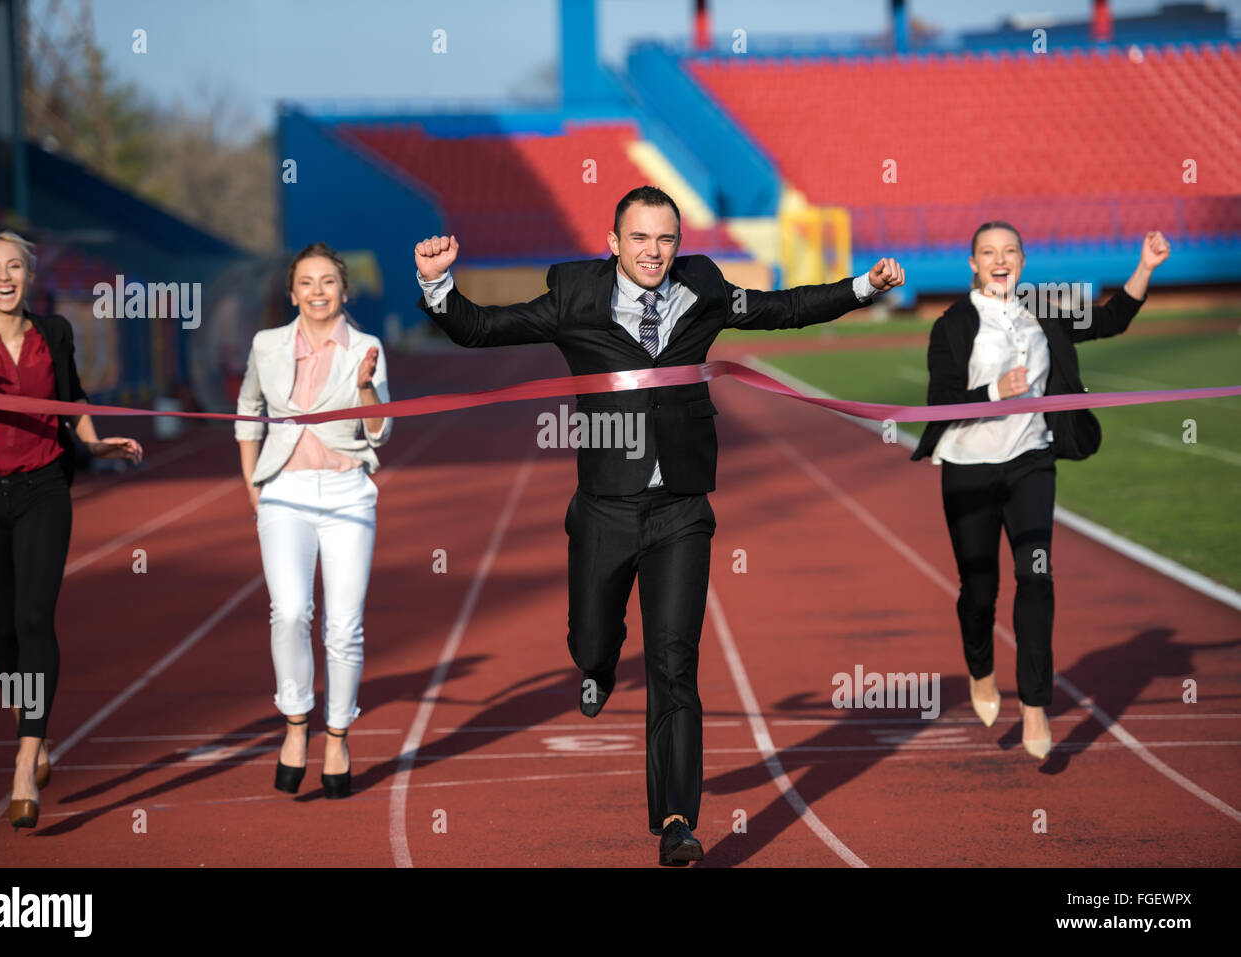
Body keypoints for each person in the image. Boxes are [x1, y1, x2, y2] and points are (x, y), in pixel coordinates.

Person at [414, 186, 905, 864]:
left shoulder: (703, 288)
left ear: (679, 242)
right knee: (590, 639)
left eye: (666, 238)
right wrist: (437, 286)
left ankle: (676, 819)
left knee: (675, 664)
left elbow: (782, 309)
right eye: (640, 238)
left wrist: (863, 286)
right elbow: (483, 328)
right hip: (605, 507)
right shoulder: (574, 295)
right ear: (613, 243)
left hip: (681, 507)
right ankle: (598, 661)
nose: (654, 251)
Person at [911, 222, 1171, 759]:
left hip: (1031, 463)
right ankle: (981, 671)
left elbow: (1110, 320)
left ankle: (1034, 705)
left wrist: (1145, 267)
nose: (999, 260)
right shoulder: (952, 324)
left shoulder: (1043, 311)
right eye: (988, 252)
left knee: (1035, 577)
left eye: (1009, 251)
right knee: (979, 591)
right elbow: (940, 402)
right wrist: (994, 390)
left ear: (1023, 261)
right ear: (973, 264)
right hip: (968, 469)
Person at [0, 231, 142, 830]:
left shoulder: (54, 333)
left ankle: (26, 760)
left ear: (29, 277)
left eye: (15, 267)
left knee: (33, 619)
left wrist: (95, 444)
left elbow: (71, 399)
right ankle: (30, 720)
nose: (4, 277)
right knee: (0, 630)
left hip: (42, 489)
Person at [235, 242, 392, 799]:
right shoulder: (266, 344)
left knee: (344, 627)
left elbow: (380, 433)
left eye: (328, 281)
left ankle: (338, 736)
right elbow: (248, 410)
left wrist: (366, 385)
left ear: (344, 291)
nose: (318, 291)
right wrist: (253, 484)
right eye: (307, 282)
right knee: (290, 612)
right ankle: (296, 723)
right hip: (284, 491)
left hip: (348, 494)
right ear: (292, 292)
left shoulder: (367, 347)